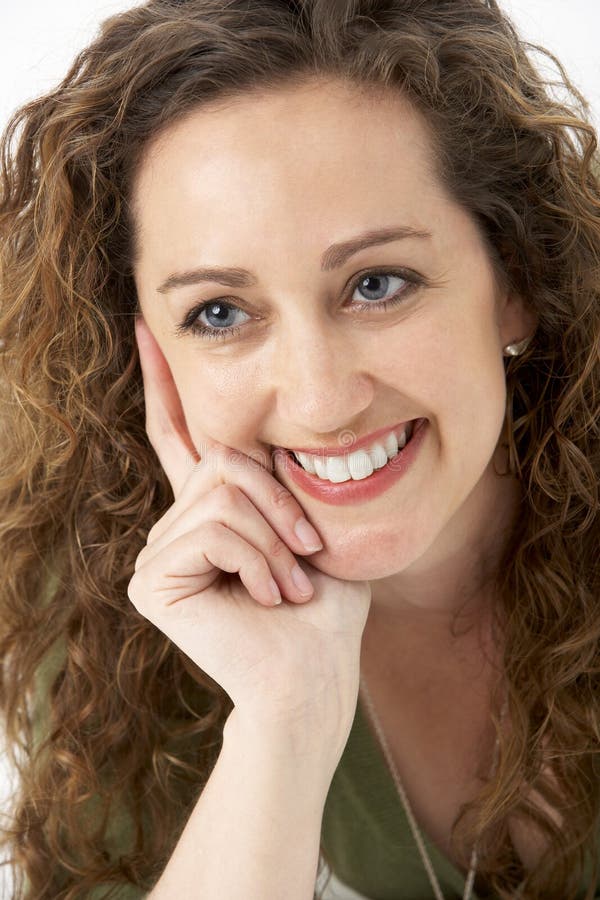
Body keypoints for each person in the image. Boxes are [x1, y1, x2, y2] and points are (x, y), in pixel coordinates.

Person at [0, 0, 599, 897]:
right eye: (220, 314)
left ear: (513, 280)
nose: (321, 401)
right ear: (148, 357)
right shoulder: (106, 611)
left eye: (377, 284)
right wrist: (286, 716)